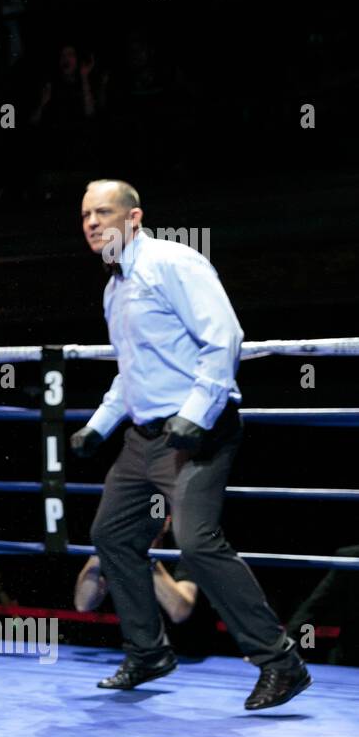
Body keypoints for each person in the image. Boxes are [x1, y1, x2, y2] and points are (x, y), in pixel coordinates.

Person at [71, 180, 310, 709]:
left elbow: (224, 337)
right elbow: (130, 375)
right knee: (111, 534)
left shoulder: (173, 263)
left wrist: (194, 415)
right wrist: (99, 425)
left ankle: (281, 661)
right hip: (144, 438)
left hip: (200, 431)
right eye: (86, 214)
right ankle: (148, 652)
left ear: (134, 218)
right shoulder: (115, 288)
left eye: (103, 212)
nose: (92, 222)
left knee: (198, 543)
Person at [74, 518, 198, 624]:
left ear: (167, 520)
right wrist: (103, 546)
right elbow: (83, 604)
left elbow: (179, 612)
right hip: (121, 643)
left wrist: (145, 556)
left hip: (180, 646)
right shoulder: (121, 546)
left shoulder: (183, 546)